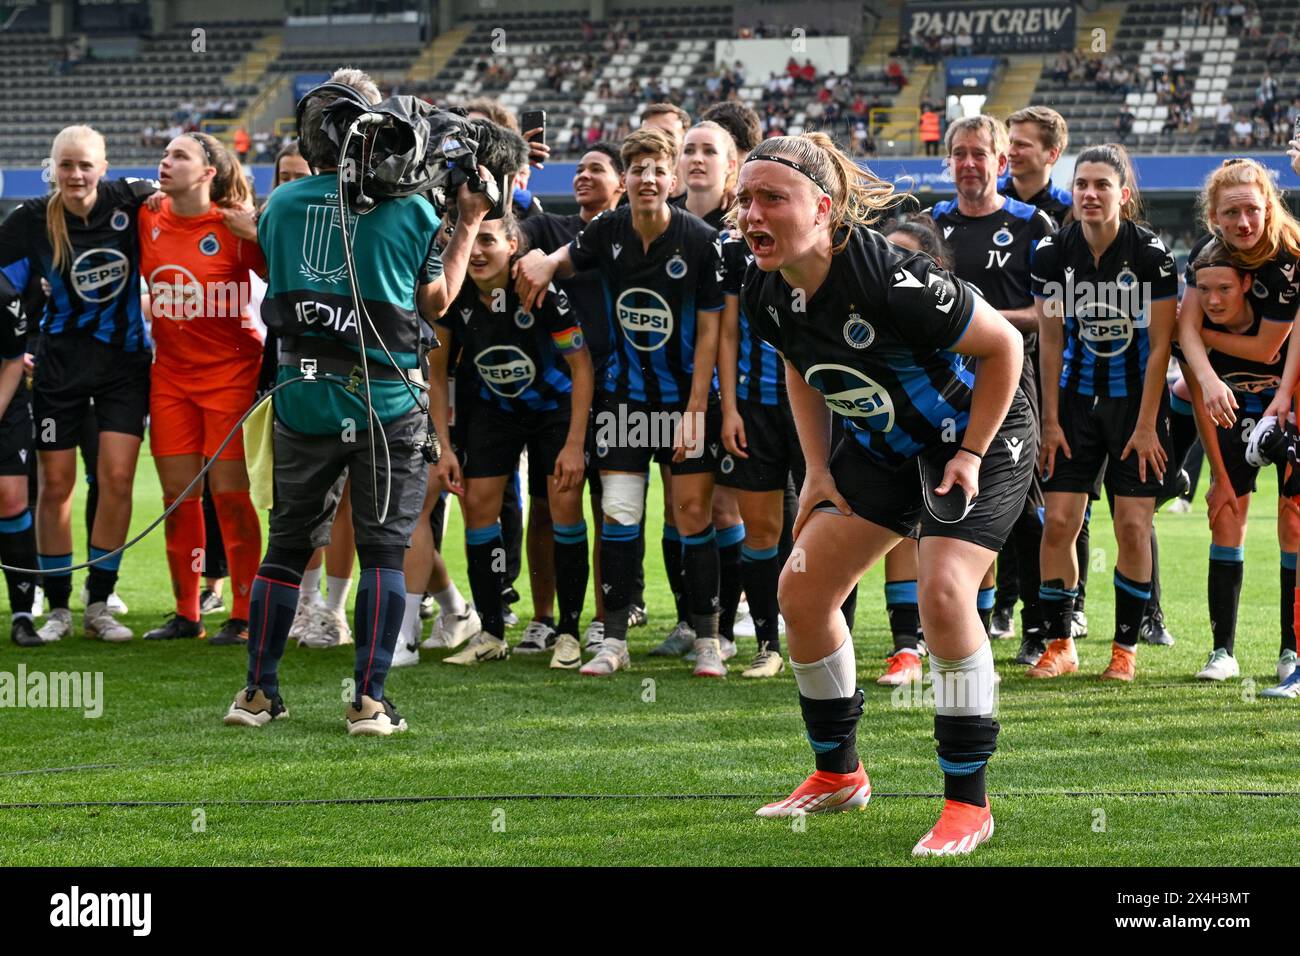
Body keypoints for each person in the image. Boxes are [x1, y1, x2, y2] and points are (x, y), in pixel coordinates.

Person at [734, 131, 1031, 857]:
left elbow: (1005, 350)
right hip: (880, 446)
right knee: (801, 594)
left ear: (824, 210)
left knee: (944, 594)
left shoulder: (886, 276)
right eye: (746, 200)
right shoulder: (765, 288)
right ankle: (839, 775)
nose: (751, 214)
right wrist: (818, 472)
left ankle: (967, 803)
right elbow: (801, 367)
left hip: (976, 434)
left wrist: (967, 452)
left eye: (772, 197)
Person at [222, 68, 491, 735]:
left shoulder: (280, 206)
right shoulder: (412, 212)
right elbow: (436, 303)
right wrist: (468, 225)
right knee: (382, 551)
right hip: (384, 399)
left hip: (302, 395)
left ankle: (256, 694)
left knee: (285, 547)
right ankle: (367, 702)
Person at [516, 127, 727, 678]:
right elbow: (562, 257)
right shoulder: (608, 229)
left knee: (692, 517)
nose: (648, 179)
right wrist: (539, 262)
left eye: (658, 170)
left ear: (672, 180)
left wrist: (697, 410)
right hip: (624, 403)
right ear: (627, 181)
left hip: (684, 403)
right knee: (620, 517)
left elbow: (710, 333)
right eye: (637, 170)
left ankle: (708, 639)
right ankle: (613, 641)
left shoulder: (701, 241)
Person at [0, 125, 156, 644]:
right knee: (58, 486)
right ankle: (59, 608)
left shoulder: (131, 200)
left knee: (115, 480)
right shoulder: (31, 219)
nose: (76, 174)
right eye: (66, 165)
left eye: (85, 164)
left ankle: (98, 603)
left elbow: (187, 205)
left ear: (103, 166)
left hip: (123, 367)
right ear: (53, 168)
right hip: (58, 369)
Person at [1031, 144, 1178, 683]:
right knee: (1059, 524)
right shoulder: (1051, 253)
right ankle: (1060, 644)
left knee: (1133, 526)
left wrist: (1145, 425)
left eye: (1101, 185)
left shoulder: (1150, 254)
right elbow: (1049, 340)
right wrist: (1049, 420)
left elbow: (1161, 345)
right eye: (1082, 184)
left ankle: (1124, 651)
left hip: (1135, 407)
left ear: (1124, 195)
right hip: (1071, 407)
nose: (1089, 194)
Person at [430, 215, 594, 668]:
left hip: (553, 412)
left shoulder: (540, 289)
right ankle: (491, 633)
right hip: (491, 411)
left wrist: (575, 443)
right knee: (478, 507)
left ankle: (568, 632)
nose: (477, 251)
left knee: (562, 507)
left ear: (513, 244)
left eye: (489, 240)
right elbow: (437, 375)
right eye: (469, 240)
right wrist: (444, 446)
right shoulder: (455, 289)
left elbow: (581, 367)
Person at [929, 115, 1057, 671]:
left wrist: (978, 323)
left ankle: (1037, 628)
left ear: (1001, 164)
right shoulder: (931, 222)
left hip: (1011, 384)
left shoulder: (1032, 223)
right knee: (948, 505)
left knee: (1025, 512)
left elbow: (1046, 314)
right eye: (959, 154)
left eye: (980, 154)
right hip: (945, 385)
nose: (969, 164)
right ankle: (963, 626)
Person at [137, 132, 265, 646]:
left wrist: (257, 233)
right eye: (165, 155)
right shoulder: (148, 218)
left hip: (231, 375)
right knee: (178, 498)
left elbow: (285, 276)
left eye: (179, 157)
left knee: (231, 497)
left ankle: (242, 612)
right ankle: (187, 613)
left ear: (209, 172)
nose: (166, 163)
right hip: (170, 378)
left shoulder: (234, 226)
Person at [517, 143, 632, 654]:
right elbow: (514, 240)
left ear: (621, 184)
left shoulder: (632, 233)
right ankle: (546, 618)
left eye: (597, 168)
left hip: (620, 391)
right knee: (546, 506)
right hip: (558, 395)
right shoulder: (551, 229)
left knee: (612, 509)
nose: (584, 175)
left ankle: (607, 620)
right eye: (580, 168)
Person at [1172, 240, 1297, 682]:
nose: (1213, 299)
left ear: (1247, 283)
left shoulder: (1280, 329)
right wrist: (1220, 478)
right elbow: (1206, 411)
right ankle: (1222, 651)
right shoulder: (1196, 333)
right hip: (1229, 421)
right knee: (1226, 514)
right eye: (1203, 290)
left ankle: (1291, 648)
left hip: (1283, 413)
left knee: (1294, 519)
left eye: (1224, 288)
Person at [0, 261, 40, 646]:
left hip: (5, 396)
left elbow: (14, 359)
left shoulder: (4, 293)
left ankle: (23, 614)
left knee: (10, 498)